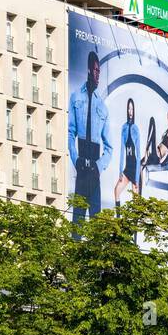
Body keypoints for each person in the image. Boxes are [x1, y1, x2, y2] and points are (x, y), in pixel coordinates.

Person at [68, 50, 112, 222]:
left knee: (97, 224)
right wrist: (75, 159)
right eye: (95, 70)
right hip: (81, 166)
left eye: (99, 71)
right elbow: (70, 132)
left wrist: (99, 166)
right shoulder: (75, 97)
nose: (98, 74)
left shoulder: (102, 106)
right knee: (76, 224)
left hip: (94, 168)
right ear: (88, 69)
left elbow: (109, 147)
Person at [114, 98, 141, 206]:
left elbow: (139, 156)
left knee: (136, 202)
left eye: (132, 109)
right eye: (129, 109)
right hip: (127, 168)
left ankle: (135, 223)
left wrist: (137, 179)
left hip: (135, 169)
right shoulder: (124, 127)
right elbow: (121, 151)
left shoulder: (136, 129)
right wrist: (120, 171)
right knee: (116, 190)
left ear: (134, 111)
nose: (130, 111)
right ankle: (118, 218)